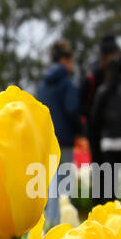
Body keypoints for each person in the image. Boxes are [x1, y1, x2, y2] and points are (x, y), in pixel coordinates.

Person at [34, 39, 81, 227]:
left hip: (47, 138)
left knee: (52, 182)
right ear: (64, 60)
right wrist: (79, 129)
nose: (72, 65)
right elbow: (73, 109)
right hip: (65, 139)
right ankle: (63, 225)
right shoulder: (67, 84)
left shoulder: (43, 85)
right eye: (71, 60)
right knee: (65, 183)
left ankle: (50, 223)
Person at [90, 55, 121, 204]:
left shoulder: (103, 91)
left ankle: (108, 219)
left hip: (109, 143)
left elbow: (94, 119)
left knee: (108, 188)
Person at [81, 34, 121, 168]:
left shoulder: (116, 75)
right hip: (95, 131)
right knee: (99, 165)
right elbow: (82, 104)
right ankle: (99, 189)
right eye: (113, 55)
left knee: (111, 168)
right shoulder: (92, 77)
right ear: (106, 55)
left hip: (111, 130)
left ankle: (107, 189)